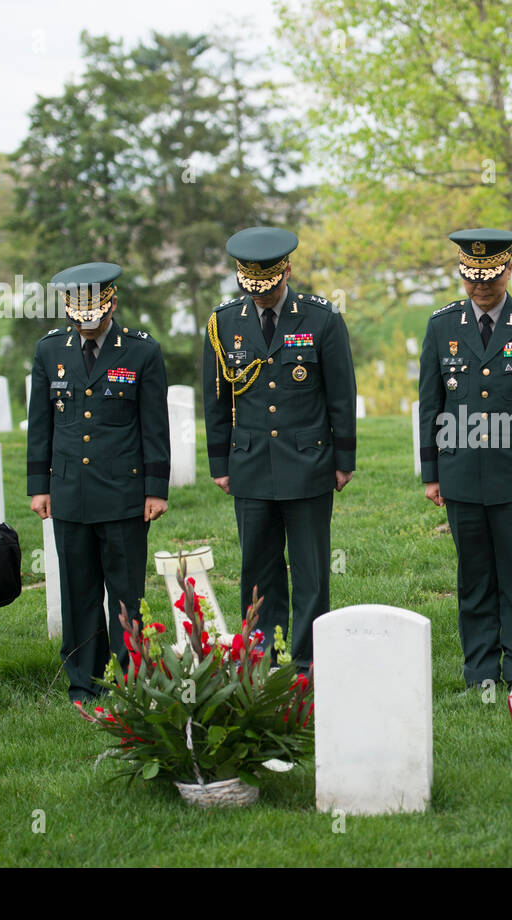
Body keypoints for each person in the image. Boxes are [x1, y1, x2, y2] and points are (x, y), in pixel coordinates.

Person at [418, 228, 512, 689]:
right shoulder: (442, 326)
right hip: (462, 475)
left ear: (508, 271)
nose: (481, 287)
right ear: (462, 274)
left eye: (490, 277)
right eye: (472, 278)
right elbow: (431, 405)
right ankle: (480, 669)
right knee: (474, 578)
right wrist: (432, 472)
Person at [202, 227, 356, 672]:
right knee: (258, 570)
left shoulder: (321, 318)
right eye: (253, 287)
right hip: (249, 464)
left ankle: (308, 662)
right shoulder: (223, 322)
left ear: (286, 271)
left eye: (269, 285)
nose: (262, 296)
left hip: (308, 464)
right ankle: (260, 660)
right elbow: (215, 399)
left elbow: (341, 394)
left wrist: (343, 461)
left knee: (310, 572)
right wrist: (219, 463)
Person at [27, 262, 170, 703]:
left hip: (124, 495)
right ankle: (84, 681)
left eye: (95, 315)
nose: (87, 325)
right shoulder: (50, 351)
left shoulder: (141, 351)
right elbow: (40, 424)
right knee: (77, 591)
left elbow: (154, 425)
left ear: (111, 304)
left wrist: (155, 488)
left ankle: (131, 677)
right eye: (79, 316)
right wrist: (39, 485)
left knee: (125, 592)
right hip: (69, 491)